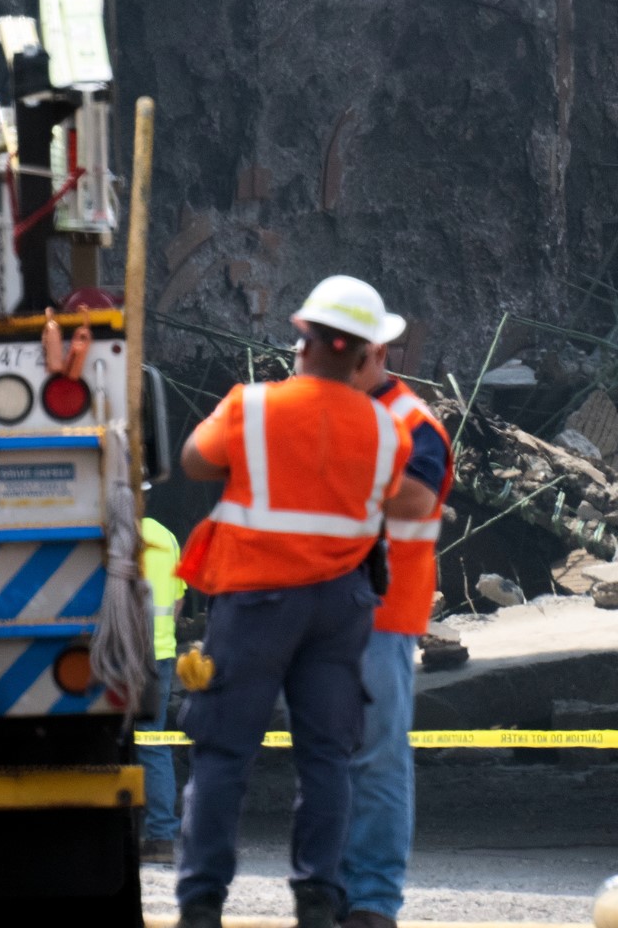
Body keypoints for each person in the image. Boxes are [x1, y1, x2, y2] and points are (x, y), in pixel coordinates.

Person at [173, 275, 412, 928]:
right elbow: (386, 497)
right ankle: (317, 900)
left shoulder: (250, 407)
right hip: (340, 608)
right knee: (327, 758)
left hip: (254, 602)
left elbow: (194, 460)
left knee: (224, 753)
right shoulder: (388, 431)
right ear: (365, 356)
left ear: (299, 342)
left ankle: (201, 903)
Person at [339, 332, 451, 928]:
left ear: (380, 355)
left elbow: (415, 498)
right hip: (322, 614)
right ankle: (334, 890)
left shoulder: (411, 420)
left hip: (382, 614)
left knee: (378, 757)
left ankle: (373, 901)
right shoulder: (321, 409)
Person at [137, 516, 185, 864]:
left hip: (117, 654)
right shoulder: (167, 536)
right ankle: (161, 839)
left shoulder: (112, 534)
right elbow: (179, 601)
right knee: (153, 743)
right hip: (161, 653)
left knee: (101, 740)